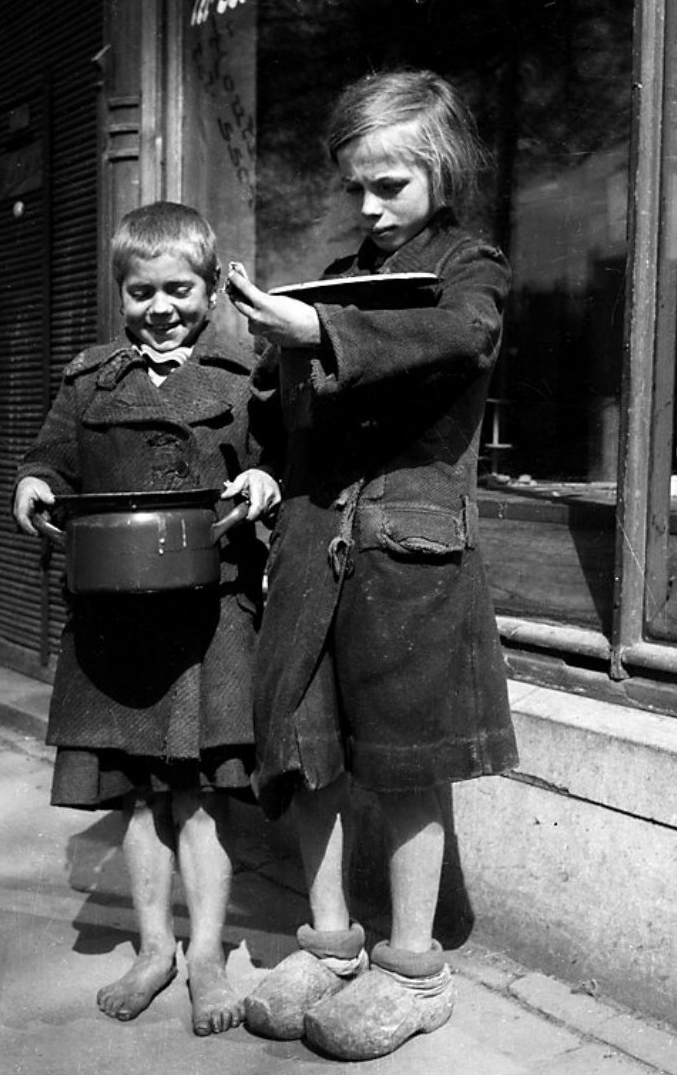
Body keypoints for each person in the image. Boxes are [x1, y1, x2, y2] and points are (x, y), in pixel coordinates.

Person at [225, 69, 519, 1061]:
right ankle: (329, 944)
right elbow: (280, 411)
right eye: (356, 184)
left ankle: (413, 968)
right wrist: (267, 472)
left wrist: (317, 329)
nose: (368, 205)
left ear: (443, 169)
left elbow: (459, 334)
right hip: (312, 539)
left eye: (389, 183)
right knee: (302, 746)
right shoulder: (337, 274)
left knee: (405, 763)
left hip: (411, 549)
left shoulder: (471, 270)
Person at [13, 202, 281, 1037]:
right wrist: (32, 484)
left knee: (199, 799)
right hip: (113, 616)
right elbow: (49, 456)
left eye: (177, 289)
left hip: (210, 616)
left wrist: (263, 486)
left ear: (209, 289)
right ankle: (153, 946)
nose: (159, 307)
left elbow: (278, 463)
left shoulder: (246, 379)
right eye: (140, 292)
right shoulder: (90, 381)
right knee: (136, 797)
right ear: (120, 294)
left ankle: (205, 954)